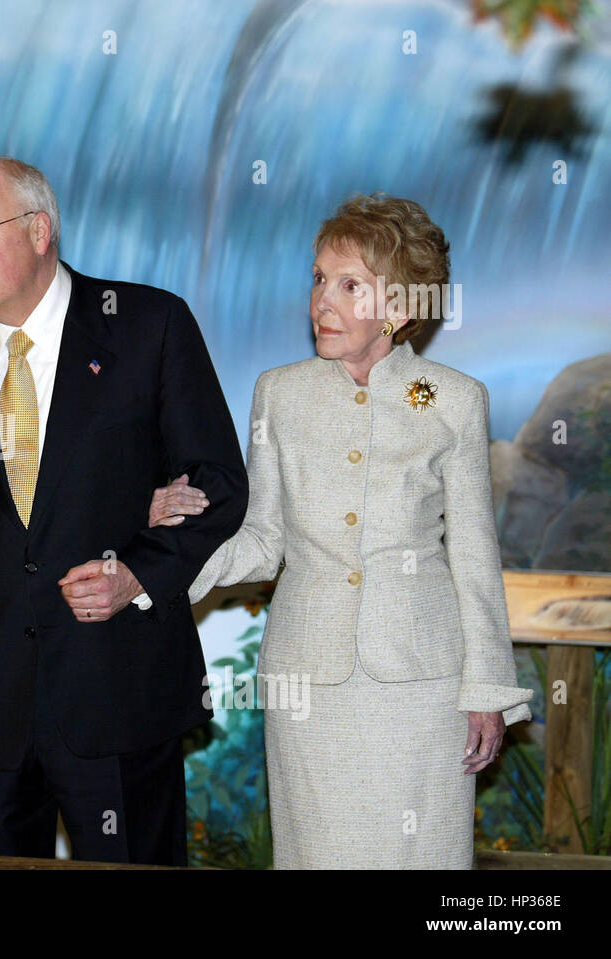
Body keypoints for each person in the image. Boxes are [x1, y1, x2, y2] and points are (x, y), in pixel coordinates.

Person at [0, 156, 248, 864]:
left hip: (118, 691)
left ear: (40, 228)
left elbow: (219, 483)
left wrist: (135, 571)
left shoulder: (147, 326)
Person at [152, 193, 533, 869]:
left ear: (401, 309)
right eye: (318, 278)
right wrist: (159, 558)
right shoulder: (279, 393)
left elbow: (474, 556)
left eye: (349, 284)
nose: (321, 301)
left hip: (424, 686)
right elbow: (264, 540)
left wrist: (488, 693)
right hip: (310, 690)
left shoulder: (456, 399)